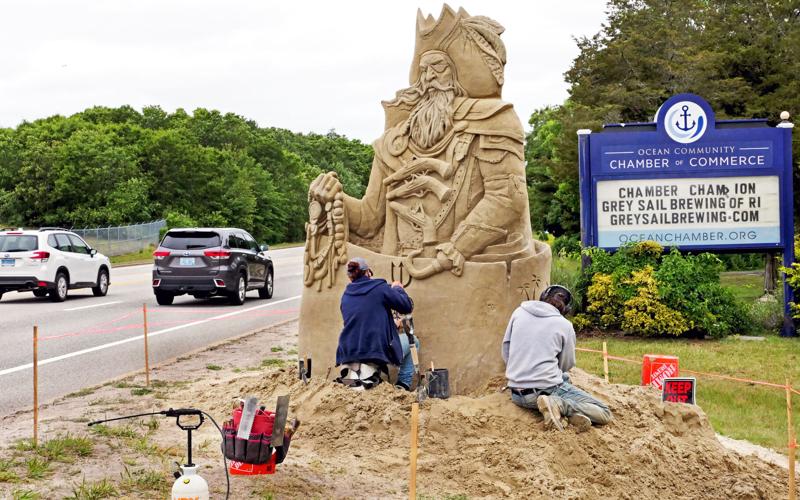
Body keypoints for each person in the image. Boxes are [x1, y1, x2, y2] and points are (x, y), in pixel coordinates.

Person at [501, 285, 612, 432]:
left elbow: (506, 349)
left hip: (516, 392)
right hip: (542, 391)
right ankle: (559, 405)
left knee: (564, 378)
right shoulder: (564, 325)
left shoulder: (519, 312)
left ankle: (566, 414)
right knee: (604, 412)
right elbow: (567, 364)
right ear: (565, 309)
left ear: (542, 297)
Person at [335, 257, 414, 389]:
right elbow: (406, 306)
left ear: (350, 277)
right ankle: (403, 385)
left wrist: (390, 324)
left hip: (348, 350)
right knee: (414, 342)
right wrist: (397, 289)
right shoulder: (380, 288)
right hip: (372, 349)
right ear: (367, 273)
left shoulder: (346, 296)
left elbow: (362, 321)